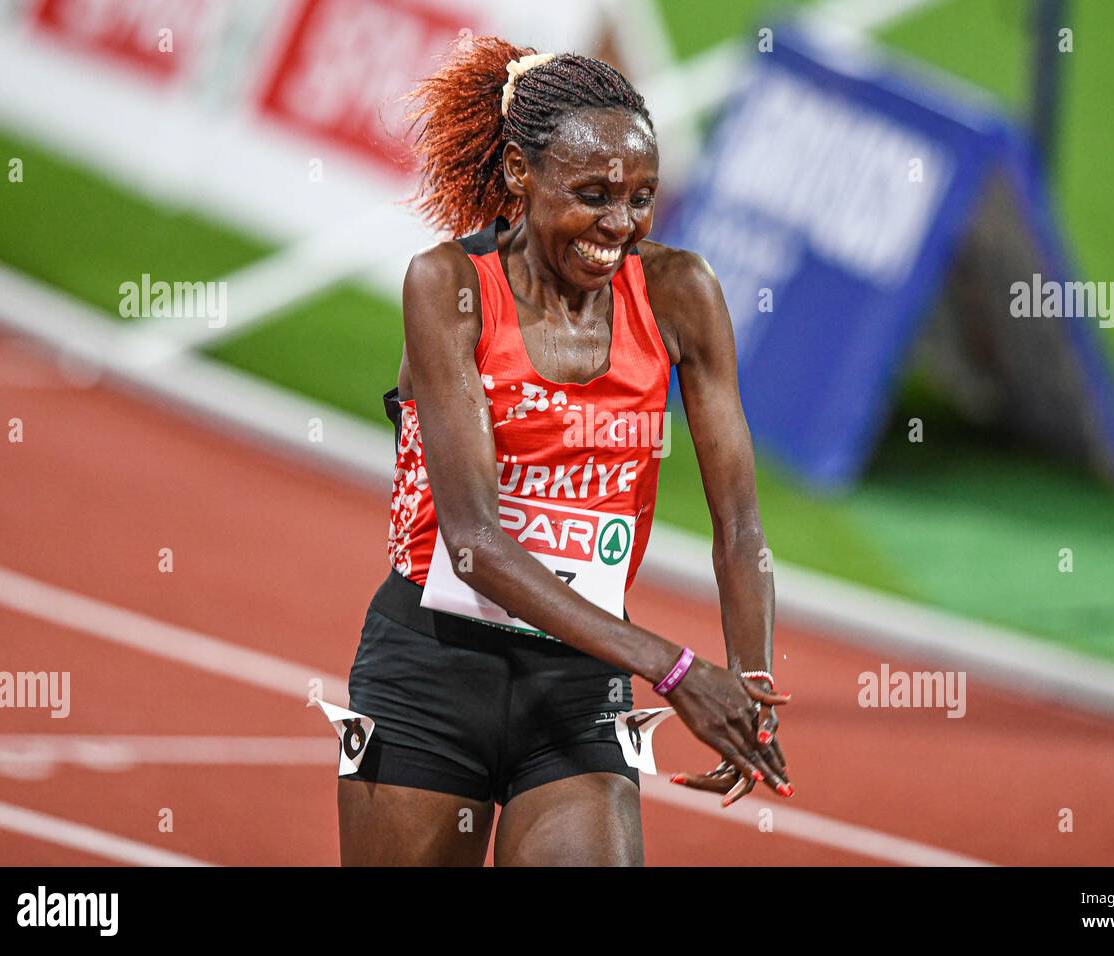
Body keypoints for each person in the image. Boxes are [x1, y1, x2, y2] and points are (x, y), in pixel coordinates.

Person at [338, 35, 791, 867]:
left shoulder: (682, 294)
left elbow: (741, 526)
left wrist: (749, 683)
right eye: (593, 195)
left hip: (581, 680)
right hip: (431, 670)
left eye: (642, 197)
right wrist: (678, 668)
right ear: (520, 174)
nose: (619, 225)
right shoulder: (449, 289)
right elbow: (473, 545)